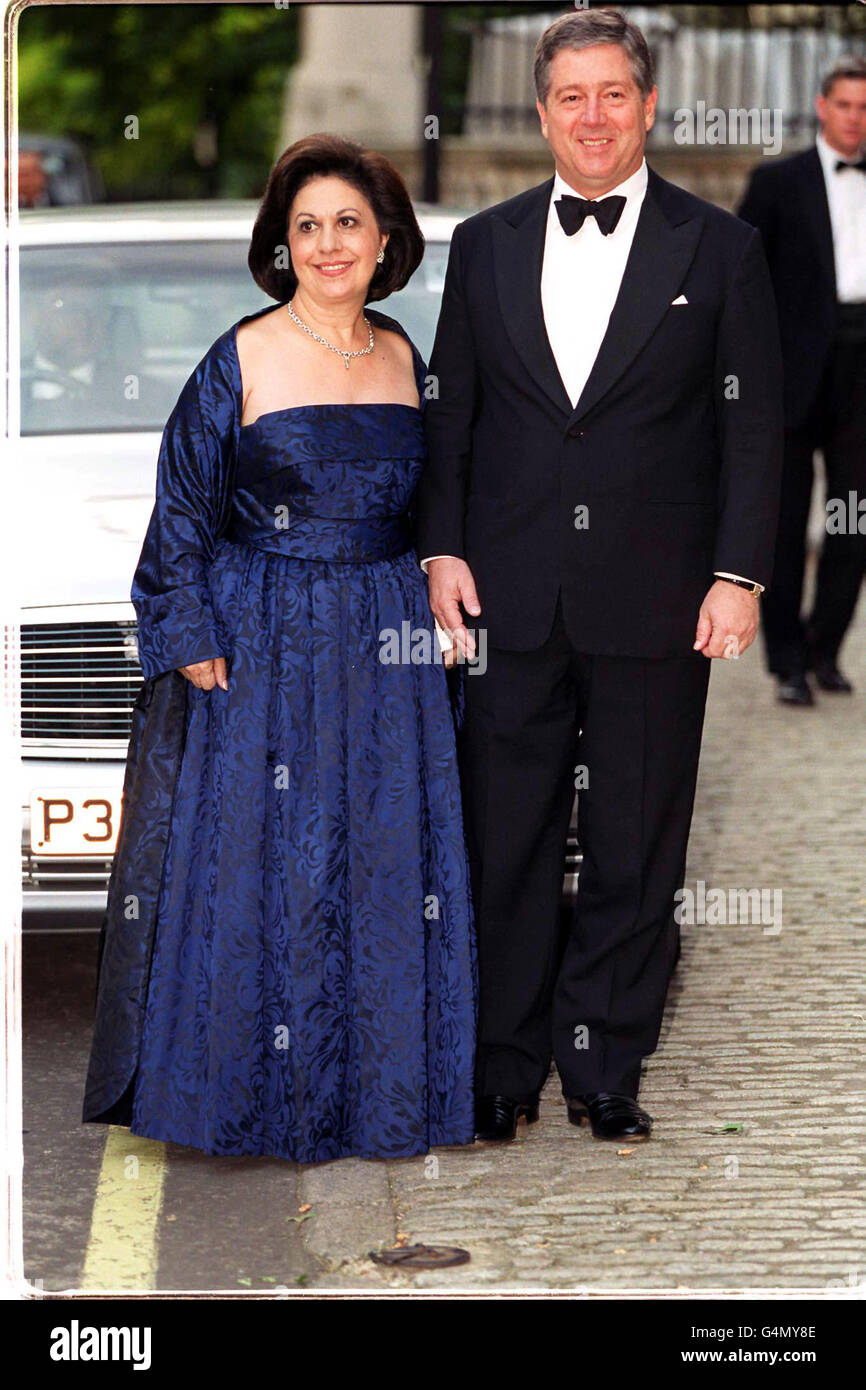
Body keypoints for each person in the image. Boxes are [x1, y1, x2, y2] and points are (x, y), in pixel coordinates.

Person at [417, 8, 783, 1144]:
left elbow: (756, 431)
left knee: (632, 845)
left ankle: (604, 1063)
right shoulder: (480, 244)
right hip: (507, 595)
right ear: (539, 114)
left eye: (611, 94)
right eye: (569, 97)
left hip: (656, 598)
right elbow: (451, 417)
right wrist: (440, 548)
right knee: (506, 838)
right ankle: (500, 1065)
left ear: (647, 105)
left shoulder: (718, 248)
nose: (591, 117)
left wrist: (737, 576)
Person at [83, 135, 477, 1163]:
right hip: (261, 634)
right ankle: (248, 1101)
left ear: (385, 237)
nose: (327, 243)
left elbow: (444, 495)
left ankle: (374, 1101)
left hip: (382, 642)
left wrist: (442, 575)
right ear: (281, 245)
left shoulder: (403, 357)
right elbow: (182, 507)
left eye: (347, 221)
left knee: (378, 865)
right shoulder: (243, 354)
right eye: (306, 226)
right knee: (267, 865)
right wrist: (186, 627)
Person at [738, 57, 866, 705]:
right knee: (783, 526)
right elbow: (742, 282)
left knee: (853, 523)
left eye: (865, 107)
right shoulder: (777, 181)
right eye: (845, 105)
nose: (855, 118)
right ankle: (785, 660)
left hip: (862, 371)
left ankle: (826, 650)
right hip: (792, 375)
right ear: (822, 107)